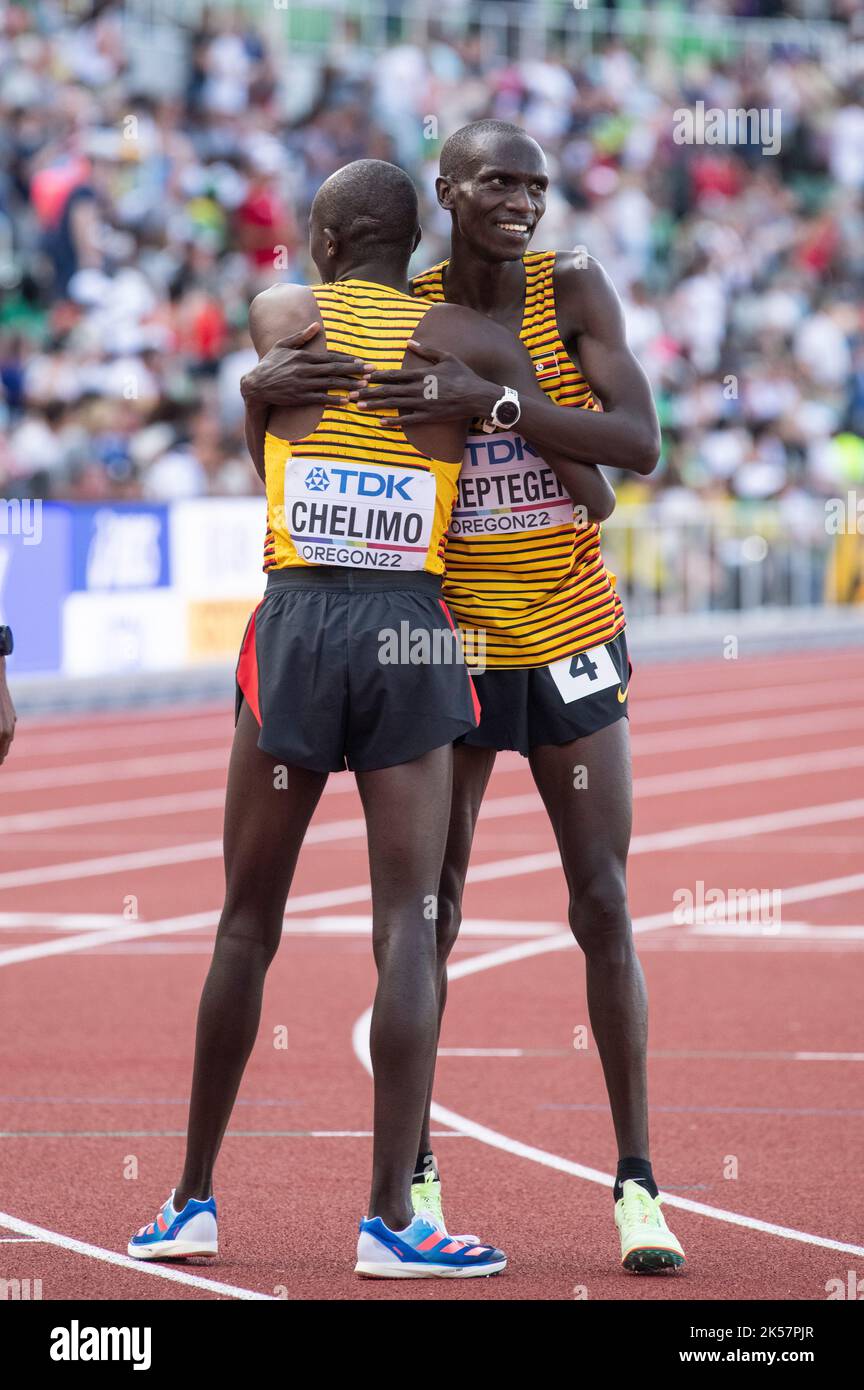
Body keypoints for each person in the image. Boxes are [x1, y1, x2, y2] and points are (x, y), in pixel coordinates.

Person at [128, 158, 614, 1279]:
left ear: (331, 239)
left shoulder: (284, 320)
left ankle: (189, 1200)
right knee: (412, 918)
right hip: (409, 629)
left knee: (246, 922)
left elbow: (271, 428)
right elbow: (591, 468)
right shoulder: (470, 343)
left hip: (296, 623)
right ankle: (393, 1219)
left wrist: (267, 390)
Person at [242, 123, 686, 1274]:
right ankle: (417, 1172)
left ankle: (638, 1183)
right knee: (430, 909)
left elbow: (630, 453)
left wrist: (494, 405)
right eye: (498, 180)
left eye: (537, 184)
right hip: (452, 639)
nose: (522, 201)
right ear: (444, 192)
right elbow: (308, 433)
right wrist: (256, 386)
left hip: (573, 632)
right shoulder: (412, 307)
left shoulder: (566, 287)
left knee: (602, 902)